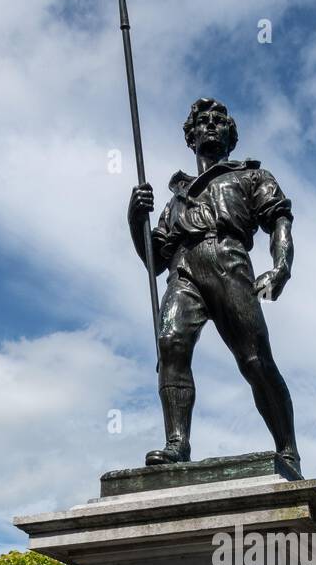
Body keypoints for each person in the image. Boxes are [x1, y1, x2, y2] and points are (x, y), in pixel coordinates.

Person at [128, 97, 300, 472]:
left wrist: (281, 268)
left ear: (230, 135)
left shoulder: (251, 176)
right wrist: (134, 217)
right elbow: (154, 261)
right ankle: (177, 444)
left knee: (254, 361)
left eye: (219, 121)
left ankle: (288, 450)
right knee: (170, 343)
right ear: (190, 137)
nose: (210, 125)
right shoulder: (176, 200)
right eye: (202, 121)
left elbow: (279, 222)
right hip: (182, 268)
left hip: (228, 259)